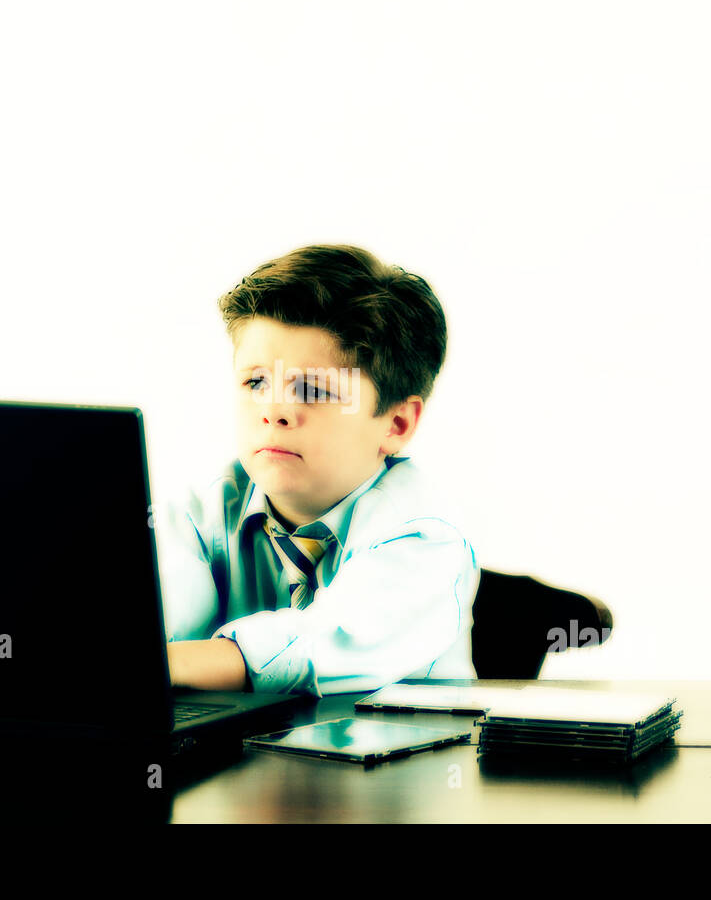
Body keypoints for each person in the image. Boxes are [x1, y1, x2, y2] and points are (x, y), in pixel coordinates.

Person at [157, 244, 479, 697]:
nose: (275, 410)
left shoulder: (425, 536)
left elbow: (320, 642)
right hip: (244, 763)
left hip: (396, 762)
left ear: (396, 423)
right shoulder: (200, 511)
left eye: (312, 389)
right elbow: (154, 622)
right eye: (256, 382)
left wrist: (150, 664)